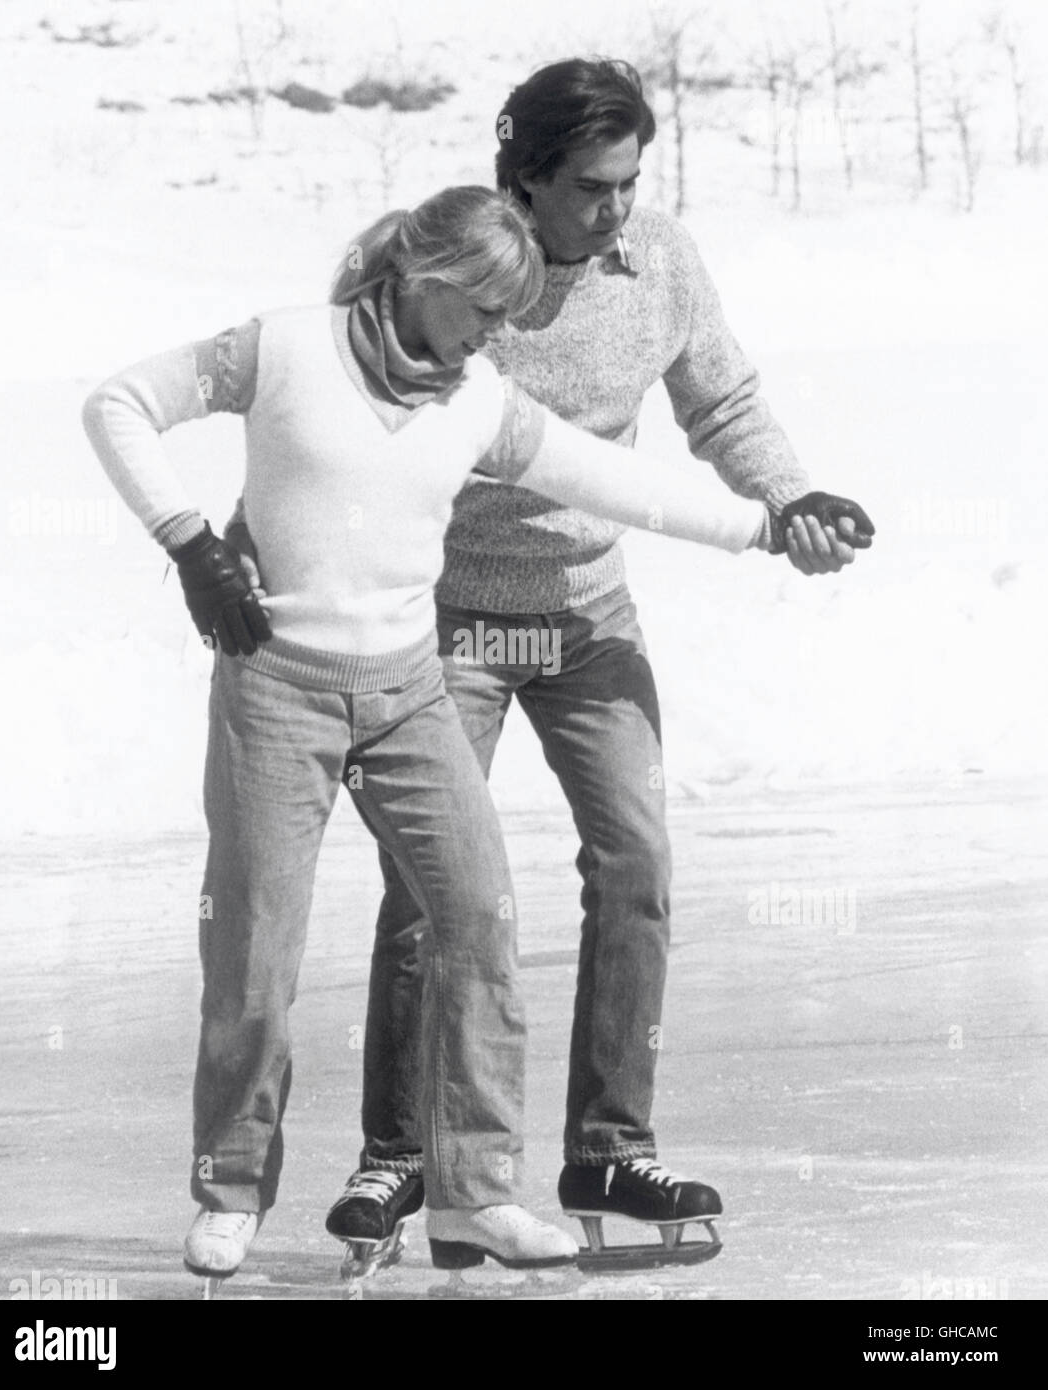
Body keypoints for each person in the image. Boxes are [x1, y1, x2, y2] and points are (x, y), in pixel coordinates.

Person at [81, 184, 794, 1287]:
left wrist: (766, 524)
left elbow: (612, 481)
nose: (496, 336)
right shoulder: (281, 350)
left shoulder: (477, 400)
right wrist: (191, 546)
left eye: (510, 316)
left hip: (411, 689)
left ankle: (477, 1197)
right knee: (258, 945)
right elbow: (118, 402)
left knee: (478, 919)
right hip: (278, 688)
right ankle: (229, 1189)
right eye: (486, 310)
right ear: (424, 277)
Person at [284, 60, 873, 1261]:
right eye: (595, 187)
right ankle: (400, 1156)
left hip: (590, 611)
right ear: (527, 178)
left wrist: (790, 495)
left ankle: (608, 1142)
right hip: (447, 623)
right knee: (432, 891)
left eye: (632, 182)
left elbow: (724, 401)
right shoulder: (459, 267)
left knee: (638, 862)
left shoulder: (657, 260)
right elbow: (338, 419)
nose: (619, 207)